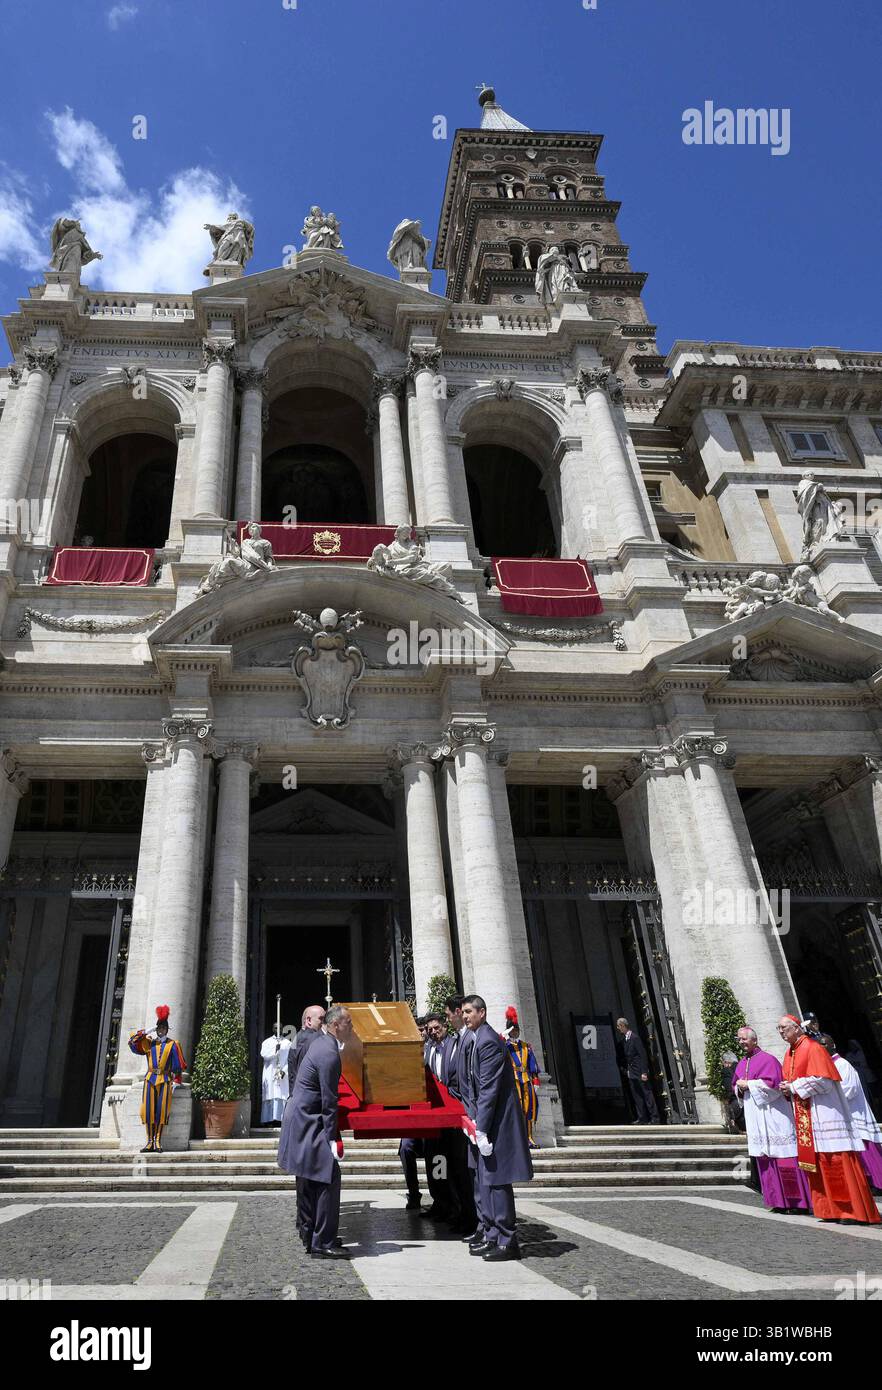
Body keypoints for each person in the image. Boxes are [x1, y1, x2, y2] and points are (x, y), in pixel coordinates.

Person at [778, 1014, 880, 1225]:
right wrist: (787, 1088)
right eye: (778, 1028)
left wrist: (794, 1087)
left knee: (837, 1163)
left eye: (784, 1028)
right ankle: (829, 1208)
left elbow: (824, 1081)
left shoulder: (812, 1048)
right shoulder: (790, 1052)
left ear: (797, 1028)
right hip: (808, 1116)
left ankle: (852, 1211)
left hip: (826, 1114)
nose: (780, 1031)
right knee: (818, 1163)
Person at [277, 1003, 353, 1257]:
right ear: (334, 1026)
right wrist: (332, 1138)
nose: (351, 1027)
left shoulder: (323, 1045)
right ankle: (324, 1242)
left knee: (311, 1177)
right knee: (328, 1176)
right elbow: (329, 1099)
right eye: (348, 1023)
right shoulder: (329, 1052)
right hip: (307, 1119)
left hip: (302, 1117)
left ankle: (312, 1235)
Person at [461, 994, 533, 1261]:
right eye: (464, 1012)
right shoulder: (477, 1038)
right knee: (486, 1179)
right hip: (485, 1120)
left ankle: (507, 1240)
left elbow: (489, 1089)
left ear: (482, 1012)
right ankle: (492, 1235)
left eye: (470, 1011)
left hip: (497, 1123)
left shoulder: (488, 1041)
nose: (466, 1016)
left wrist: (481, 1126)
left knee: (498, 1180)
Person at [732, 1026, 811, 1214]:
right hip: (756, 1119)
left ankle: (796, 1202)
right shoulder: (741, 1063)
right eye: (739, 1040)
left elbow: (775, 1087)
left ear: (754, 1040)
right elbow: (735, 1085)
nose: (741, 1042)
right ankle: (777, 1201)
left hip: (774, 1117)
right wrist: (740, 1087)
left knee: (784, 1160)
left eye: (744, 1039)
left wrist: (749, 1083)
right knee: (766, 1161)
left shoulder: (768, 1059)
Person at [279, 1003, 326, 1244]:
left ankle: (303, 1224)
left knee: (302, 1172)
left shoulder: (296, 1040)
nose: (324, 1023)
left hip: (297, 1105)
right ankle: (311, 1230)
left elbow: (293, 1072)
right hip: (311, 1110)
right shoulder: (315, 1041)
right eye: (321, 1019)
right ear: (308, 1020)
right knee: (312, 1172)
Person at [820, 1034, 882, 1193]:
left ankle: (877, 1181)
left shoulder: (842, 1064)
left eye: (824, 1044)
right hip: (844, 1116)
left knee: (866, 1149)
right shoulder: (828, 1065)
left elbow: (849, 1089)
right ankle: (868, 1181)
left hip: (855, 1114)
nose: (822, 1047)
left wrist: (828, 1099)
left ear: (832, 1045)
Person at [128, 1005, 185, 1153]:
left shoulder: (173, 1044)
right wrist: (148, 1031)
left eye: (163, 1028)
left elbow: (178, 1065)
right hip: (150, 1078)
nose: (161, 1031)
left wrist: (177, 1081)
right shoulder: (149, 1043)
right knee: (148, 1111)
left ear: (167, 1029)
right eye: (159, 1028)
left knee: (162, 1111)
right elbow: (132, 1041)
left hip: (165, 1079)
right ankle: (149, 1141)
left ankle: (158, 1141)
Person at [421, 1015, 454, 1223]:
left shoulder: (455, 1046)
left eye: (436, 1028)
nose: (433, 1032)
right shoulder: (429, 1049)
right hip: (434, 1115)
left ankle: (454, 1205)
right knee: (435, 1160)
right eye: (430, 1029)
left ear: (445, 1026)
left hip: (451, 1113)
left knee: (452, 1162)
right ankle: (440, 1201)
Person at [502, 1006, 541, 1148]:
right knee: (516, 1110)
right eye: (513, 1030)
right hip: (513, 1081)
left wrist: (536, 1081)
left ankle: (529, 1137)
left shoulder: (526, 1046)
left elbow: (533, 1064)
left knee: (529, 1109)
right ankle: (517, 1140)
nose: (515, 1032)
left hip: (526, 1080)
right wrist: (503, 1035)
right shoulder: (505, 1046)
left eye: (517, 1029)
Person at [616, 1017, 660, 1124]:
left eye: (618, 1026)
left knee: (647, 1094)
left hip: (640, 1072)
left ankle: (655, 1118)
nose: (618, 1029)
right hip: (632, 1073)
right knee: (637, 1096)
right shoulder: (625, 1040)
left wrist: (644, 1072)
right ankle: (642, 1118)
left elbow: (642, 1055)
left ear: (622, 1025)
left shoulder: (635, 1038)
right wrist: (626, 1071)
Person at [259, 1028, 291, 1125]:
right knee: (270, 1094)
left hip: (282, 1074)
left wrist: (285, 1071)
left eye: (280, 1028)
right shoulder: (267, 1042)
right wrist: (275, 1050)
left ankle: (281, 1120)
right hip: (270, 1072)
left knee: (281, 1095)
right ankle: (268, 1120)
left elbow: (290, 1059)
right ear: (272, 1029)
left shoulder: (287, 1043)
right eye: (275, 1027)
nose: (278, 1029)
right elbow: (263, 1054)